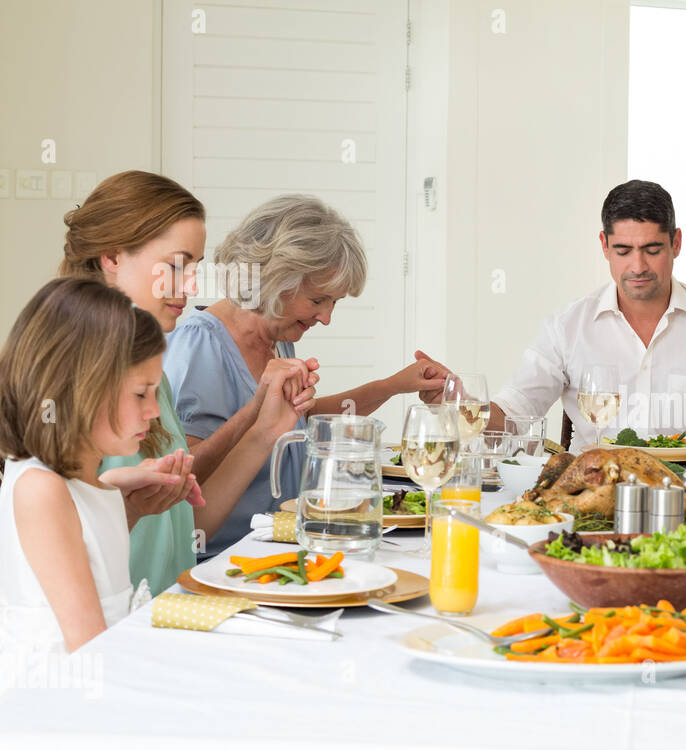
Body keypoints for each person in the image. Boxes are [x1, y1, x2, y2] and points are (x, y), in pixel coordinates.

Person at [62, 171, 317, 590]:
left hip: (163, 610)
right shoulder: (77, 370)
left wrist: (266, 430)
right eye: (176, 265)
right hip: (117, 630)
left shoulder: (147, 368)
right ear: (112, 257)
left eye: (196, 267)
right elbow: (60, 548)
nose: (192, 286)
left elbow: (188, 524)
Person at [449, 180, 686, 448]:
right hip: (590, 503)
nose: (637, 266)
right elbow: (515, 416)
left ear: (676, 242)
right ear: (604, 245)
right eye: (623, 251)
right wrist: (462, 406)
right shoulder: (567, 328)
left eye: (652, 249)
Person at [166, 194, 449, 553]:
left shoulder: (277, 336)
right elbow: (186, 477)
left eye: (335, 302)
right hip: (223, 558)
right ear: (272, 279)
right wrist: (255, 419)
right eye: (317, 301)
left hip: (284, 546)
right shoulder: (199, 345)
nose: (326, 318)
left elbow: (299, 420)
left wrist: (392, 386)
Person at [0, 278, 165, 655]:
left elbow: (86, 531)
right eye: (141, 393)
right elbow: (89, 646)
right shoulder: (40, 490)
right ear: (79, 388)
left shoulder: (83, 477)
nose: (153, 411)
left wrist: (118, 488)